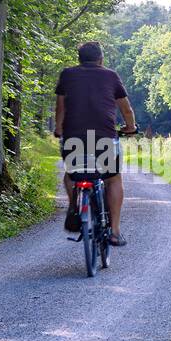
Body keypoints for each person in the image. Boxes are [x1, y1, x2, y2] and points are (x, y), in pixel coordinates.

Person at [53, 41, 136, 245]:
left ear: (79, 59)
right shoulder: (111, 75)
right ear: (101, 59)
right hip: (104, 138)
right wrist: (130, 128)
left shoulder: (67, 75)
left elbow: (60, 108)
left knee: (71, 175)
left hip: (74, 137)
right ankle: (115, 231)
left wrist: (59, 128)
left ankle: (74, 207)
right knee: (113, 178)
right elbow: (126, 110)